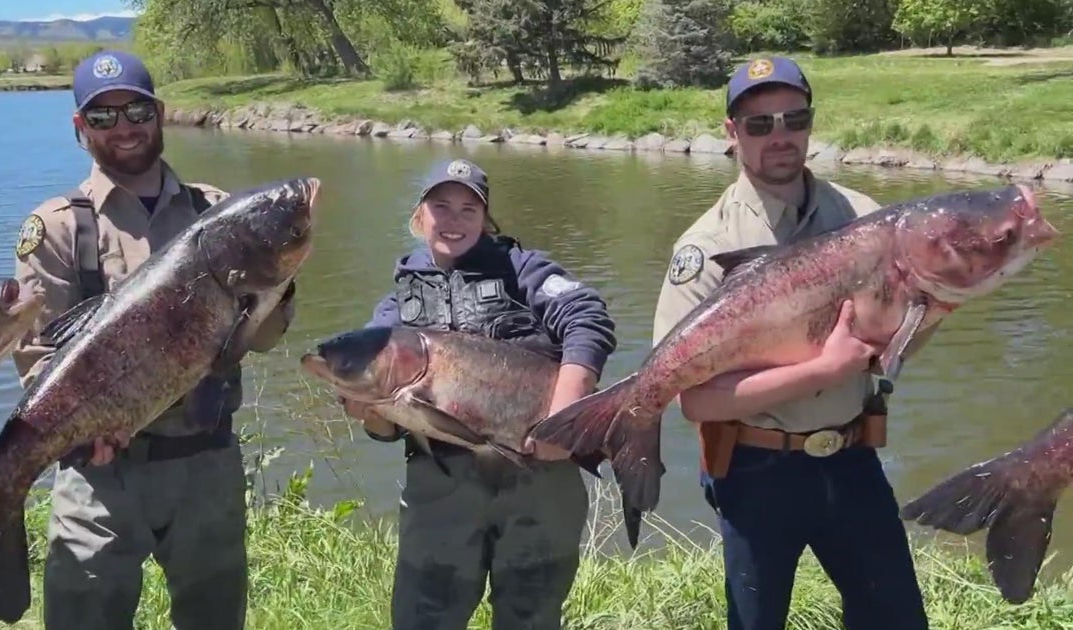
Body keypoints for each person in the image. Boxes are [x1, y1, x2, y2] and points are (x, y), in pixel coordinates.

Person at [11, 50, 296, 630]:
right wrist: (79, 431)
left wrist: (278, 284)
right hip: (99, 477)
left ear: (159, 113)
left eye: (136, 109)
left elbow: (261, 340)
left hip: (206, 463)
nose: (124, 127)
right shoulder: (58, 226)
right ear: (79, 127)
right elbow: (37, 355)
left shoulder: (215, 210)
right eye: (103, 115)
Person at [652, 56, 936, 630]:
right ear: (731, 134)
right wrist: (823, 371)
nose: (779, 136)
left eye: (794, 119)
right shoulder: (706, 247)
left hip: (854, 457)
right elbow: (696, 402)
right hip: (753, 470)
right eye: (758, 124)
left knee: (897, 619)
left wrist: (937, 301)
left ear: (810, 123)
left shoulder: (865, 220)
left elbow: (893, 349)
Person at [342, 157, 617, 630]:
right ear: (418, 216)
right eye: (441, 207)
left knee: (531, 619)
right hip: (440, 490)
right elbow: (381, 423)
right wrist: (367, 409)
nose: (454, 220)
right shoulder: (394, 309)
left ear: (486, 220)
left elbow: (588, 316)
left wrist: (565, 415)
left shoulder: (524, 269)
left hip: (540, 479)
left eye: (469, 210)